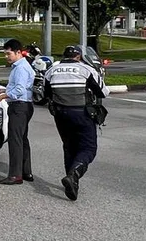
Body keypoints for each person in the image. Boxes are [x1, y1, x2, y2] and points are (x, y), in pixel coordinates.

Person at [44, 44, 110, 201]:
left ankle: (72, 182)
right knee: (88, 148)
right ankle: (74, 175)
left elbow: (46, 93)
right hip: (81, 113)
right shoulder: (86, 70)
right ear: (79, 56)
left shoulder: (51, 71)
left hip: (60, 114)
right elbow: (103, 92)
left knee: (69, 147)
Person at [0, 38, 34, 185]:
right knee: (22, 139)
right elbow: (20, 87)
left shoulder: (21, 68)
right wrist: (5, 90)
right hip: (24, 105)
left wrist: (3, 96)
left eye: (8, 53)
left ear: (17, 52)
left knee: (15, 140)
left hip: (19, 106)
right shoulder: (20, 66)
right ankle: (25, 171)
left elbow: (20, 89)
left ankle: (15, 175)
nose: (6, 56)